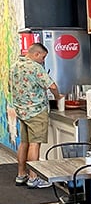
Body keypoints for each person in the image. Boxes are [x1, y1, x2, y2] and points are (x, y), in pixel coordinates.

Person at [10, 42, 62, 188]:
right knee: (34, 144)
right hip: (36, 111)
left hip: (22, 111)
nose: (43, 61)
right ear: (36, 54)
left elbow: (11, 88)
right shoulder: (35, 67)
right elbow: (52, 86)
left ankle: (21, 175)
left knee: (24, 143)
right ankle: (34, 178)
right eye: (43, 57)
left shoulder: (14, 66)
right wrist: (58, 97)